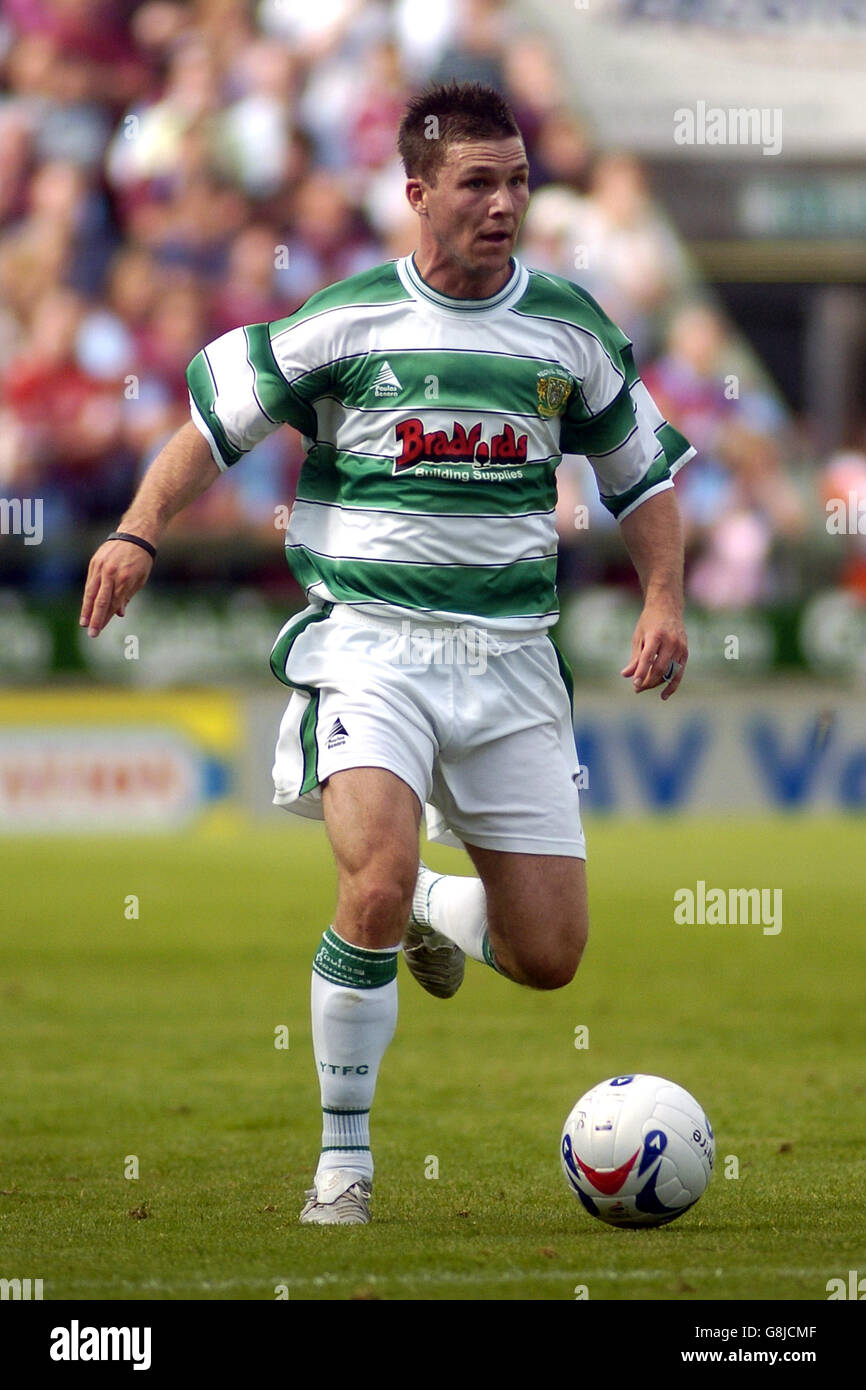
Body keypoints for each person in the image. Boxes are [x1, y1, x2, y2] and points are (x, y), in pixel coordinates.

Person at [80, 81, 693, 1226]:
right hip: (371, 646)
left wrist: (662, 594)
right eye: (476, 182)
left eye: (516, 179)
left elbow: (642, 478)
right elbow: (208, 431)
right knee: (367, 881)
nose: (503, 202)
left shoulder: (568, 327)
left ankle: (438, 910)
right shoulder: (346, 320)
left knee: (549, 955)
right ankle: (343, 1166)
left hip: (513, 659)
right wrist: (135, 529)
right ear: (416, 193)